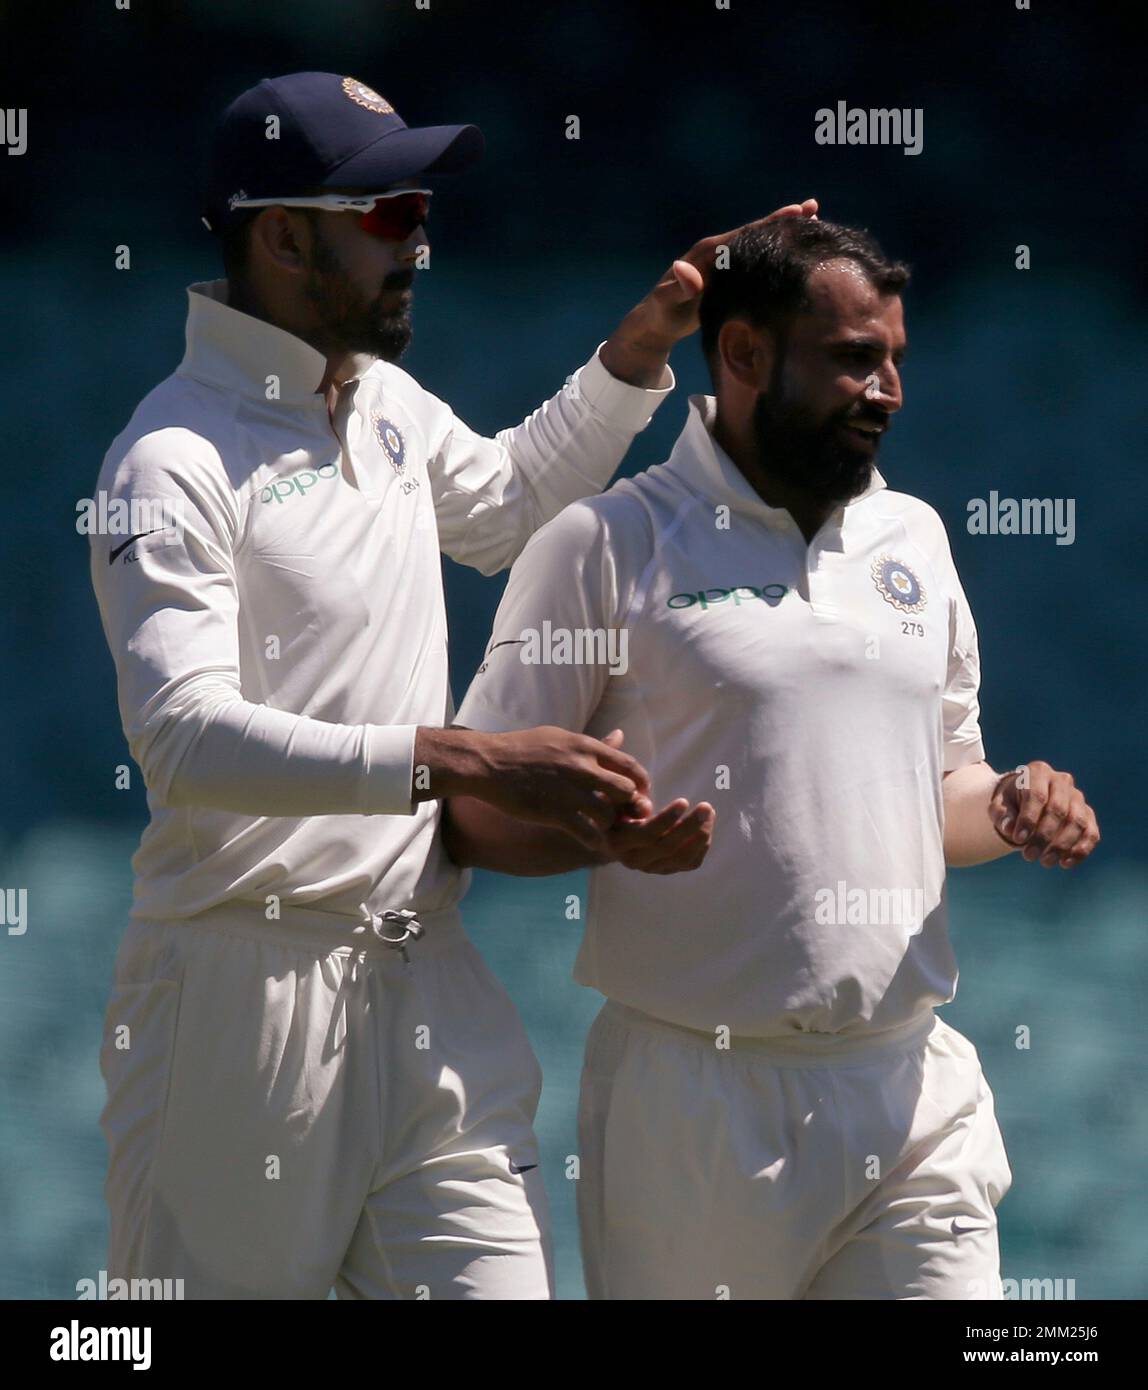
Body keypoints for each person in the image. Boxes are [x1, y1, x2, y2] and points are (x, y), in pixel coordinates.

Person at [88, 67, 812, 1299]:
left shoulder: (381, 405)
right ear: (277, 233)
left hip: (427, 979)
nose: (419, 240)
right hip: (236, 1000)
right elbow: (183, 738)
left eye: (421, 210)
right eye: (385, 215)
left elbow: (505, 509)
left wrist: (639, 348)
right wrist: (465, 758)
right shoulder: (166, 460)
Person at [444, 215, 1101, 1300]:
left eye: (894, 359)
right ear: (743, 354)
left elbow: (938, 790)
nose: (885, 388)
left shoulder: (914, 540)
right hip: (692, 1107)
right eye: (851, 359)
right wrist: (594, 832)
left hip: (905, 1091)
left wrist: (1016, 803)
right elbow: (470, 811)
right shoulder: (604, 544)